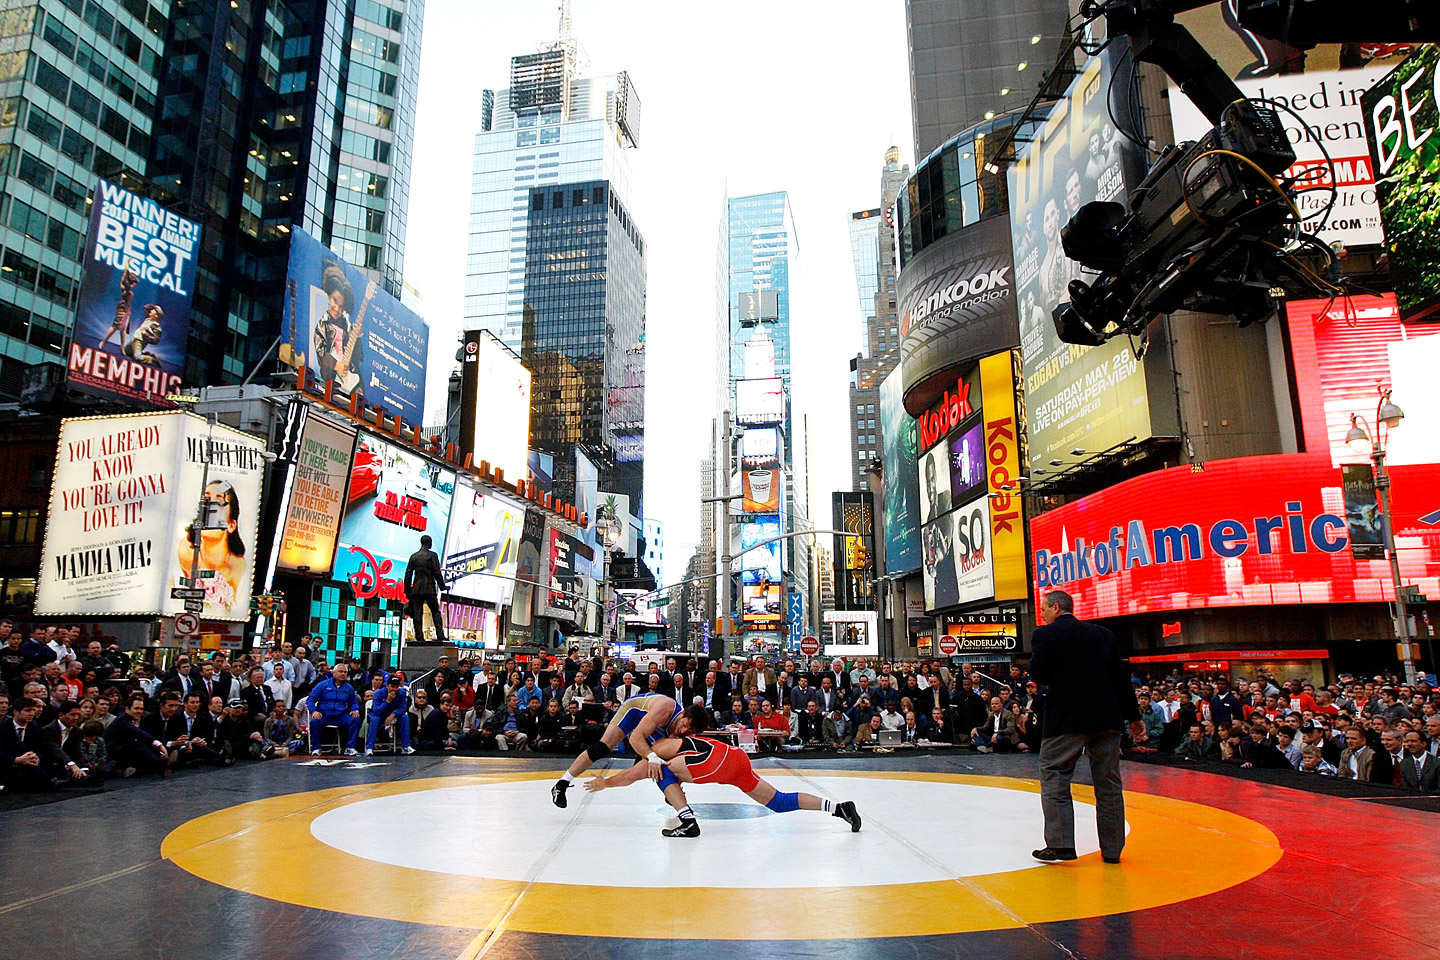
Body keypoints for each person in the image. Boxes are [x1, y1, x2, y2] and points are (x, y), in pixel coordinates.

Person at [584, 706, 862, 837]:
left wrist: (606, 783)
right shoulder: (682, 740)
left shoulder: (663, 746)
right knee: (778, 801)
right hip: (736, 759)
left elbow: (636, 773)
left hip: (713, 762)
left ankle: (688, 821)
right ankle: (838, 808)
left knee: (661, 772)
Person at [1027, 590, 1141, 864]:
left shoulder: (1046, 635)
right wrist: (1134, 717)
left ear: (1056, 607)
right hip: (1107, 718)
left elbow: (1038, 674)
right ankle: (1113, 850)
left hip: (1066, 719)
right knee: (1109, 783)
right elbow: (1119, 678)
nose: (1041, 614)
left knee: (1055, 774)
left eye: (1043, 608)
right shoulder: (1103, 635)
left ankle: (1061, 843)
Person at [550, 692, 691, 814]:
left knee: (667, 760)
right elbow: (636, 737)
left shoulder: (687, 727)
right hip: (633, 712)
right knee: (602, 747)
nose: (684, 731)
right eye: (684, 725)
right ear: (684, 715)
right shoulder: (666, 707)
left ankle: (675, 798)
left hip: (652, 725)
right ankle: (561, 784)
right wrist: (650, 755)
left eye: (689, 730)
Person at [176, 480, 248, 614]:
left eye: (219, 501)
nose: (210, 507)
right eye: (207, 499)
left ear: (231, 525)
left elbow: (233, 611)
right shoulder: (184, 550)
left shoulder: (238, 567)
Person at [307, 663, 362, 755]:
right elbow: (310, 699)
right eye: (340, 671)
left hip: (340, 716)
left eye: (345, 672)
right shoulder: (323, 685)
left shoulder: (349, 688)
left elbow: (354, 702)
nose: (343, 674)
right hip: (324, 715)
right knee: (314, 722)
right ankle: (316, 748)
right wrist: (314, 711)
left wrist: (354, 710)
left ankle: (350, 747)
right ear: (334, 673)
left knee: (355, 720)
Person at [403, 535, 448, 644]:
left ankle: (419, 637)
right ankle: (440, 635)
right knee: (435, 611)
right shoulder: (432, 556)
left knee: (417, 614)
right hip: (429, 588)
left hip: (417, 590)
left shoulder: (414, 557)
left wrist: (407, 591)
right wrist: (442, 587)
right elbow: (437, 572)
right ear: (429, 543)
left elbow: (408, 575)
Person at [365, 675, 414, 755]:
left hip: (392, 714)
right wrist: (387, 701)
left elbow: (403, 707)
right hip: (379, 715)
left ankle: (406, 746)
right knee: (375, 720)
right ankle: (369, 747)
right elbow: (376, 710)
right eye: (392, 686)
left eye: (396, 686)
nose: (394, 689)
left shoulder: (401, 693)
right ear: (387, 685)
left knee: (405, 718)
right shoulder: (378, 693)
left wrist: (393, 714)